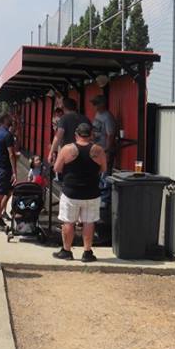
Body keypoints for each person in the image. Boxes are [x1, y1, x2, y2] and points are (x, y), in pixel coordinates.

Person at [53, 122, 107, 262]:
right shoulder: (99, 150)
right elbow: (103, 169)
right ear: (91, 135)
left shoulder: (67, 149)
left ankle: (66, 251)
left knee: (68, 222)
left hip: (71, 192)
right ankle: (87, 252)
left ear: (76, 135)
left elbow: (57, 168)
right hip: (92, 192)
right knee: (89, 222)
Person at [0, 112, 18, 231]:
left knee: (7, 192)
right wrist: (14, 171)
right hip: (4, 168)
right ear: (5, 119)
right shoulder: (7, 135)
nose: (11, 119)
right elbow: (11, 154)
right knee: (0, 193)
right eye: (9, 117)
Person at [49, 97, 90, 165]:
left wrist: (51, 152)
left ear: (64, 107)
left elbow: (58, 136)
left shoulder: (64, 119)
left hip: (67, 153)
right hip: (83, 154)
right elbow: (92, 136)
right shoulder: (85, 119)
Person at [90, 95, 117, 169]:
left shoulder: (108, 117)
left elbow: (110, 135)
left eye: (96, 104)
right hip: (97, 148)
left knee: (104, 173)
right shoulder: (98, 114)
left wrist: (107, 151)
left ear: (102, 104)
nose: (94, 106)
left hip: (104, 150)